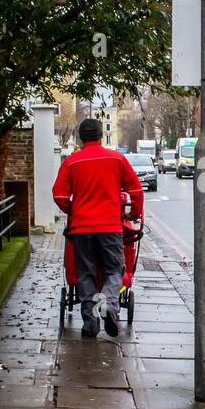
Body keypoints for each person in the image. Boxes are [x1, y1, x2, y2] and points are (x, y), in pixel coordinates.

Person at [52, 118, 144, 338]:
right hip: (110, 226)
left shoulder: (72, 161)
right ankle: (110, 304)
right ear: (101, 135)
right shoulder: (116, 159)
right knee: (115, 269)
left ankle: (90, 324)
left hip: (82, 228)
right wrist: (133, 214)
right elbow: (137, 191)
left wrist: (72, 210)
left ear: (80, 137)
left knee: (86, 274)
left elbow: (59, 194)